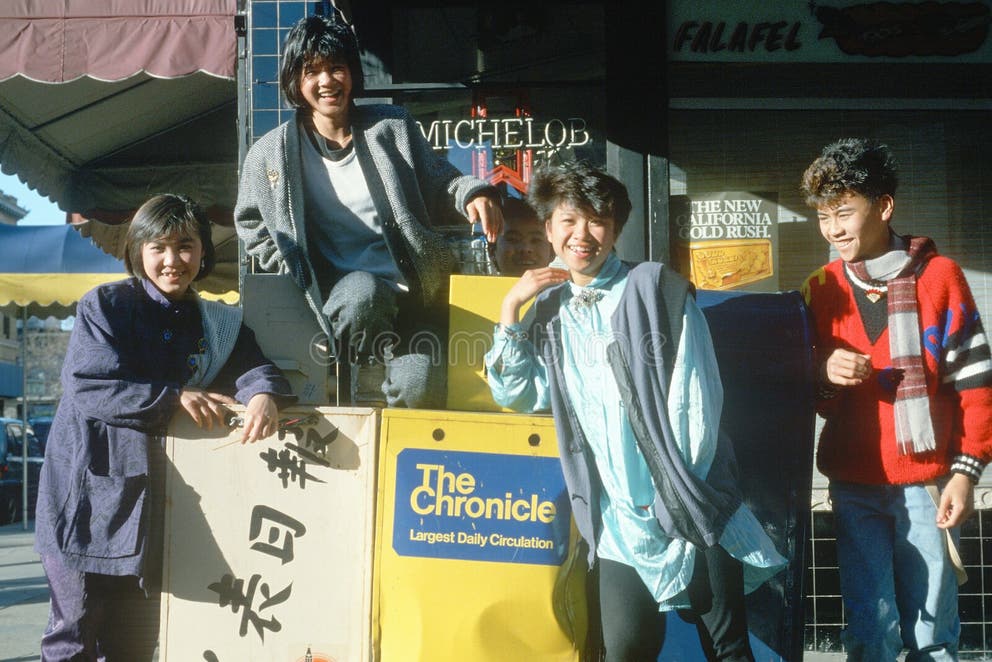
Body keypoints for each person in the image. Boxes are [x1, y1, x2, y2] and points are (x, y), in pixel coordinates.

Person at [485, 161, 785, 661]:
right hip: (618, 523)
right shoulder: (552, 310)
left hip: (690, 502)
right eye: (568, 220)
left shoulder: (655, 290)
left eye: (597, 220)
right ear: (549, 228)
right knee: (624, 651)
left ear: (617, 228)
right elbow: (522, 394)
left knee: (728, 650)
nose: (583, 234)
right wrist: (511, 310)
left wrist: (675, 499)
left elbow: (696, 406)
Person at [34, 194, 295, 661]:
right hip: (88, 503)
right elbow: (90, 386)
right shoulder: (105, 305)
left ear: (202, 252)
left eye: (185, 246)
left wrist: (262, 395)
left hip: (159, 511)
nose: (172, 261)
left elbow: (255, 368)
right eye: (158, 248)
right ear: (138, 251)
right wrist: (174, 396)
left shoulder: (215, 321)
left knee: (135, 644)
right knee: (73, 638)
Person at [235, 13, 503, 408]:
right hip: (340, 300)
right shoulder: (269, 155)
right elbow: (250, 221)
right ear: (295, 80)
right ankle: (362, 369)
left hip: (412, 295)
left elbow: (440, 178)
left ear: (352, 73)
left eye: (336, 68)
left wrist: (473, 193)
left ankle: (389, 392)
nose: (326, 81)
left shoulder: (391, 127)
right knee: (363, 292)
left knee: (421, 384)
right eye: (312, 71)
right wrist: (291, 263)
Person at [800, 137, 992, 661]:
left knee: (934, 632)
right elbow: (805, 396)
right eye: (822, 216)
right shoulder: (820, 288)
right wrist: (823, 372)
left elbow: (976, 385)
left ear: (883, 207)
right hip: (854, 484)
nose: (833, 228)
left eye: (844, 212)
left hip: (927, 484)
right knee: (870, 627)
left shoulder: (941, 278)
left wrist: (965, 472)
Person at [490, 196, 553, 276]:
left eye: (536, 240)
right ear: (492, 251)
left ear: (552, 252)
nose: (526, 249)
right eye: (513, 239)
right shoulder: (476, 288)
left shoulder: (569, 288)